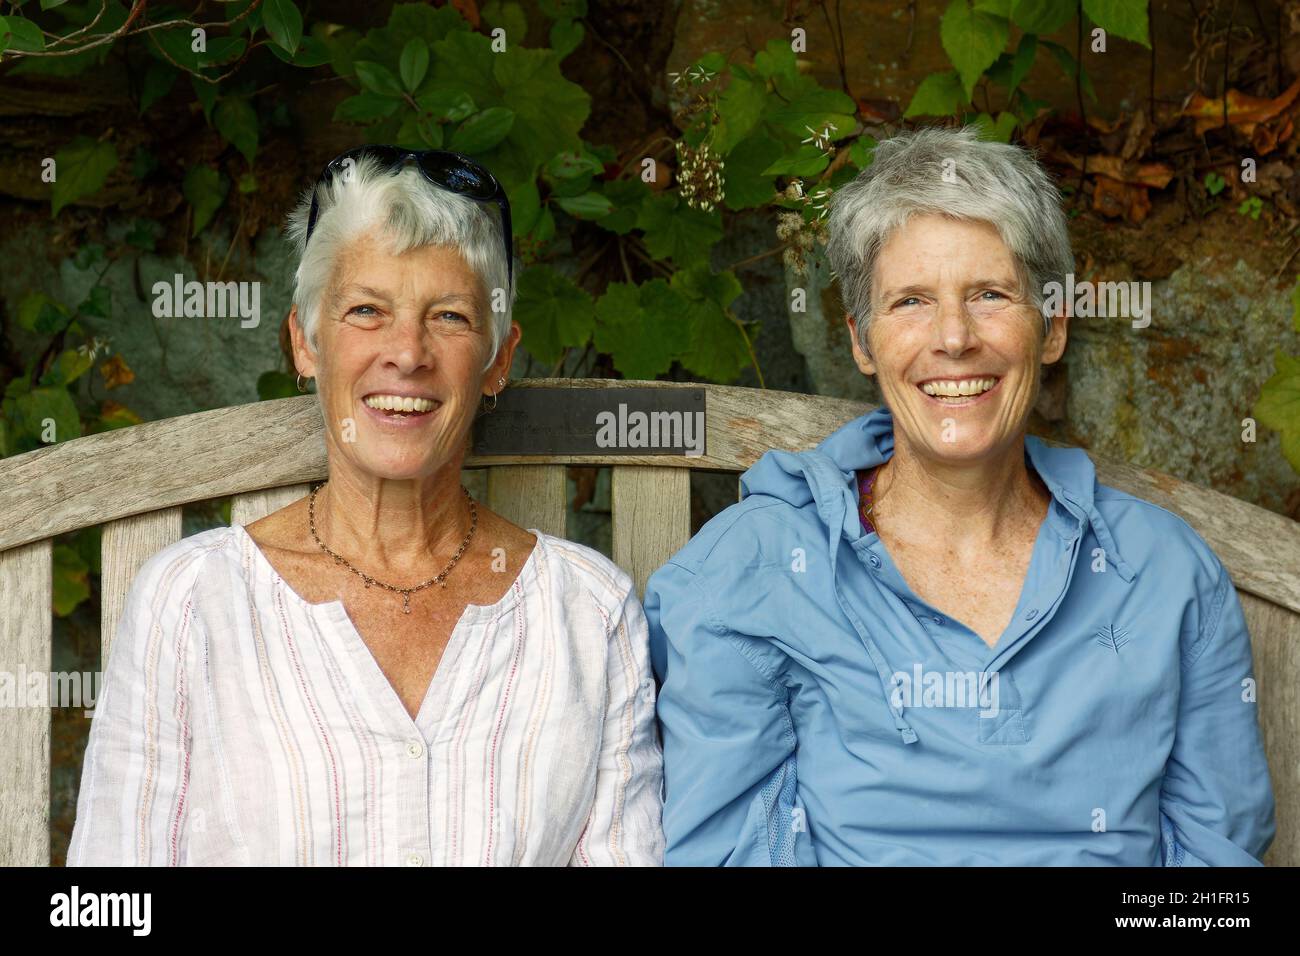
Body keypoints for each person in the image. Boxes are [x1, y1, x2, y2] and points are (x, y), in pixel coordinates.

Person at [645, 125, 1274, 866]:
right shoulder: (757, 567)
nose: (954, 337)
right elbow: (729, 855)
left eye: (991, 294)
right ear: (862, 339)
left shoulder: (1162, 573)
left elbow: (1213, 876)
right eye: (911, 300)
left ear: (1053, 327)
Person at [68, 147, 664, 866]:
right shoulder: (194, 603)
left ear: (500, 360)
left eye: (447, 316)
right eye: (365, 311)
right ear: (306, 341)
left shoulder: (587, 614)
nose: (406, 353)